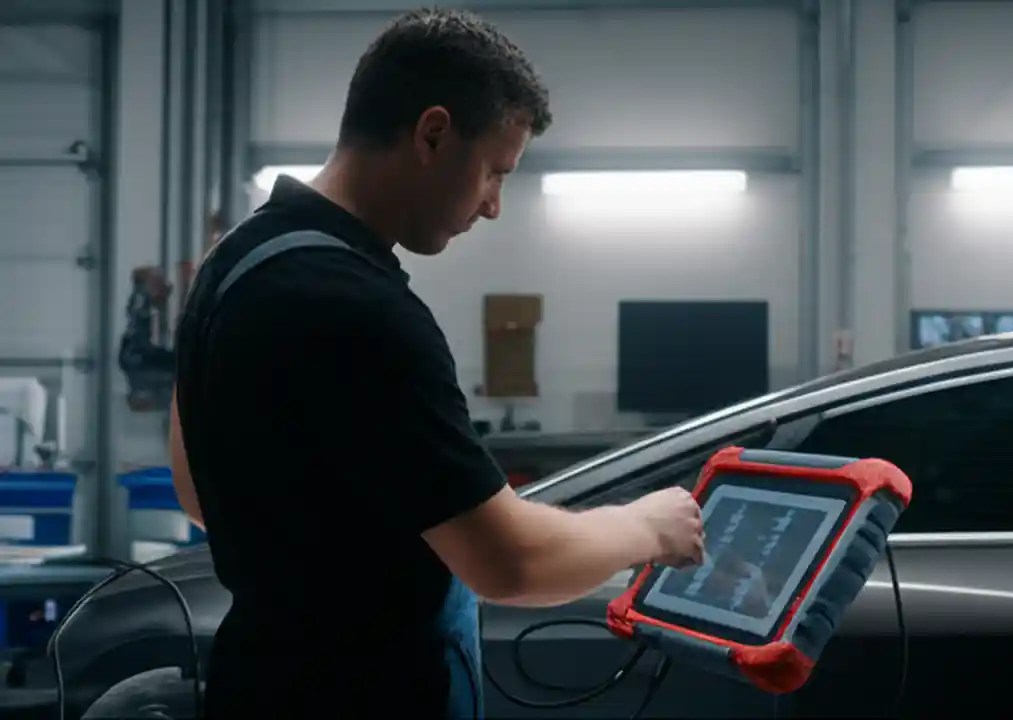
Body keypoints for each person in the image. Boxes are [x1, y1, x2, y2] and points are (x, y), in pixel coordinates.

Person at [167, 9, 705, 719]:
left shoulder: (233, 261)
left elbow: (193, 486)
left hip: (259, 683)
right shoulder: (362, 310)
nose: (492, 207)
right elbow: (510, 564)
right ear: (432, 133)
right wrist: (649, 527)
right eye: (494, 172)